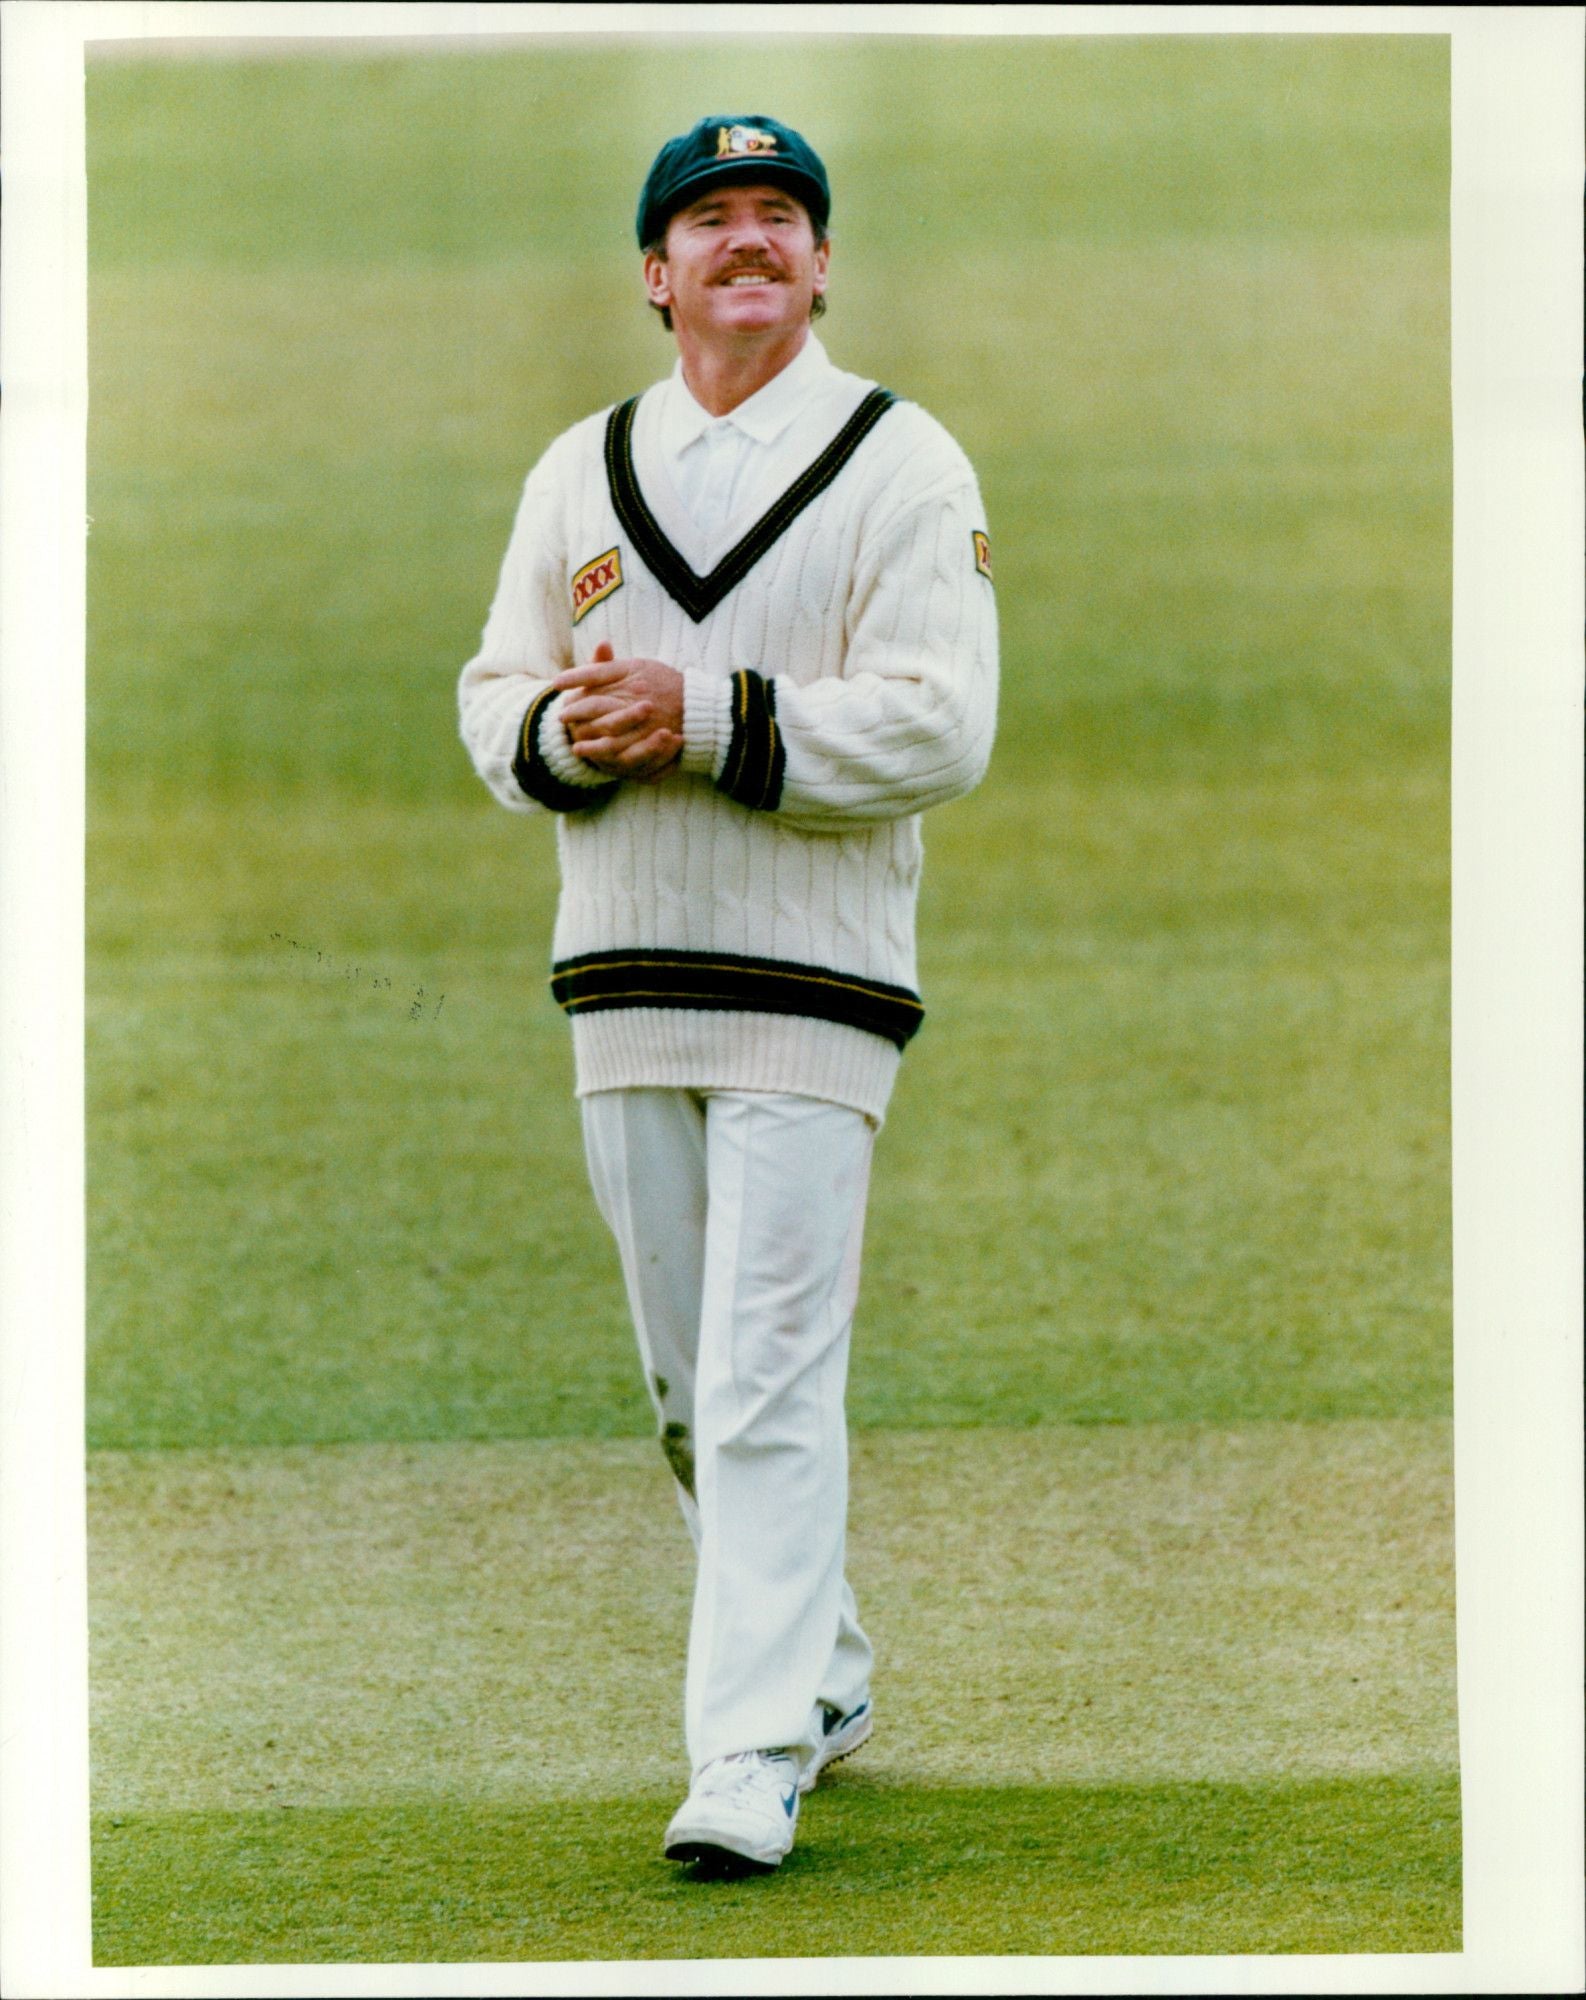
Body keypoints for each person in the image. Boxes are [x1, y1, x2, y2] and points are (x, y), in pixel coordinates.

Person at [458, 114, 998, 1874]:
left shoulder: (901, 462)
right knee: (693, 1393)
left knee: (768, 1381)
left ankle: (746, 1753)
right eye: (711, 219)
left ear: (822, 264)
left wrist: (699, 717)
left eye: (781, 216)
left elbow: (938, 723)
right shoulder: (578, 467)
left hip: (816, 986)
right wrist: (563, 732)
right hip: (624, 979)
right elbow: (494, 694)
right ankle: (824, 1671)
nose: (748, 240)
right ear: (655, 272)